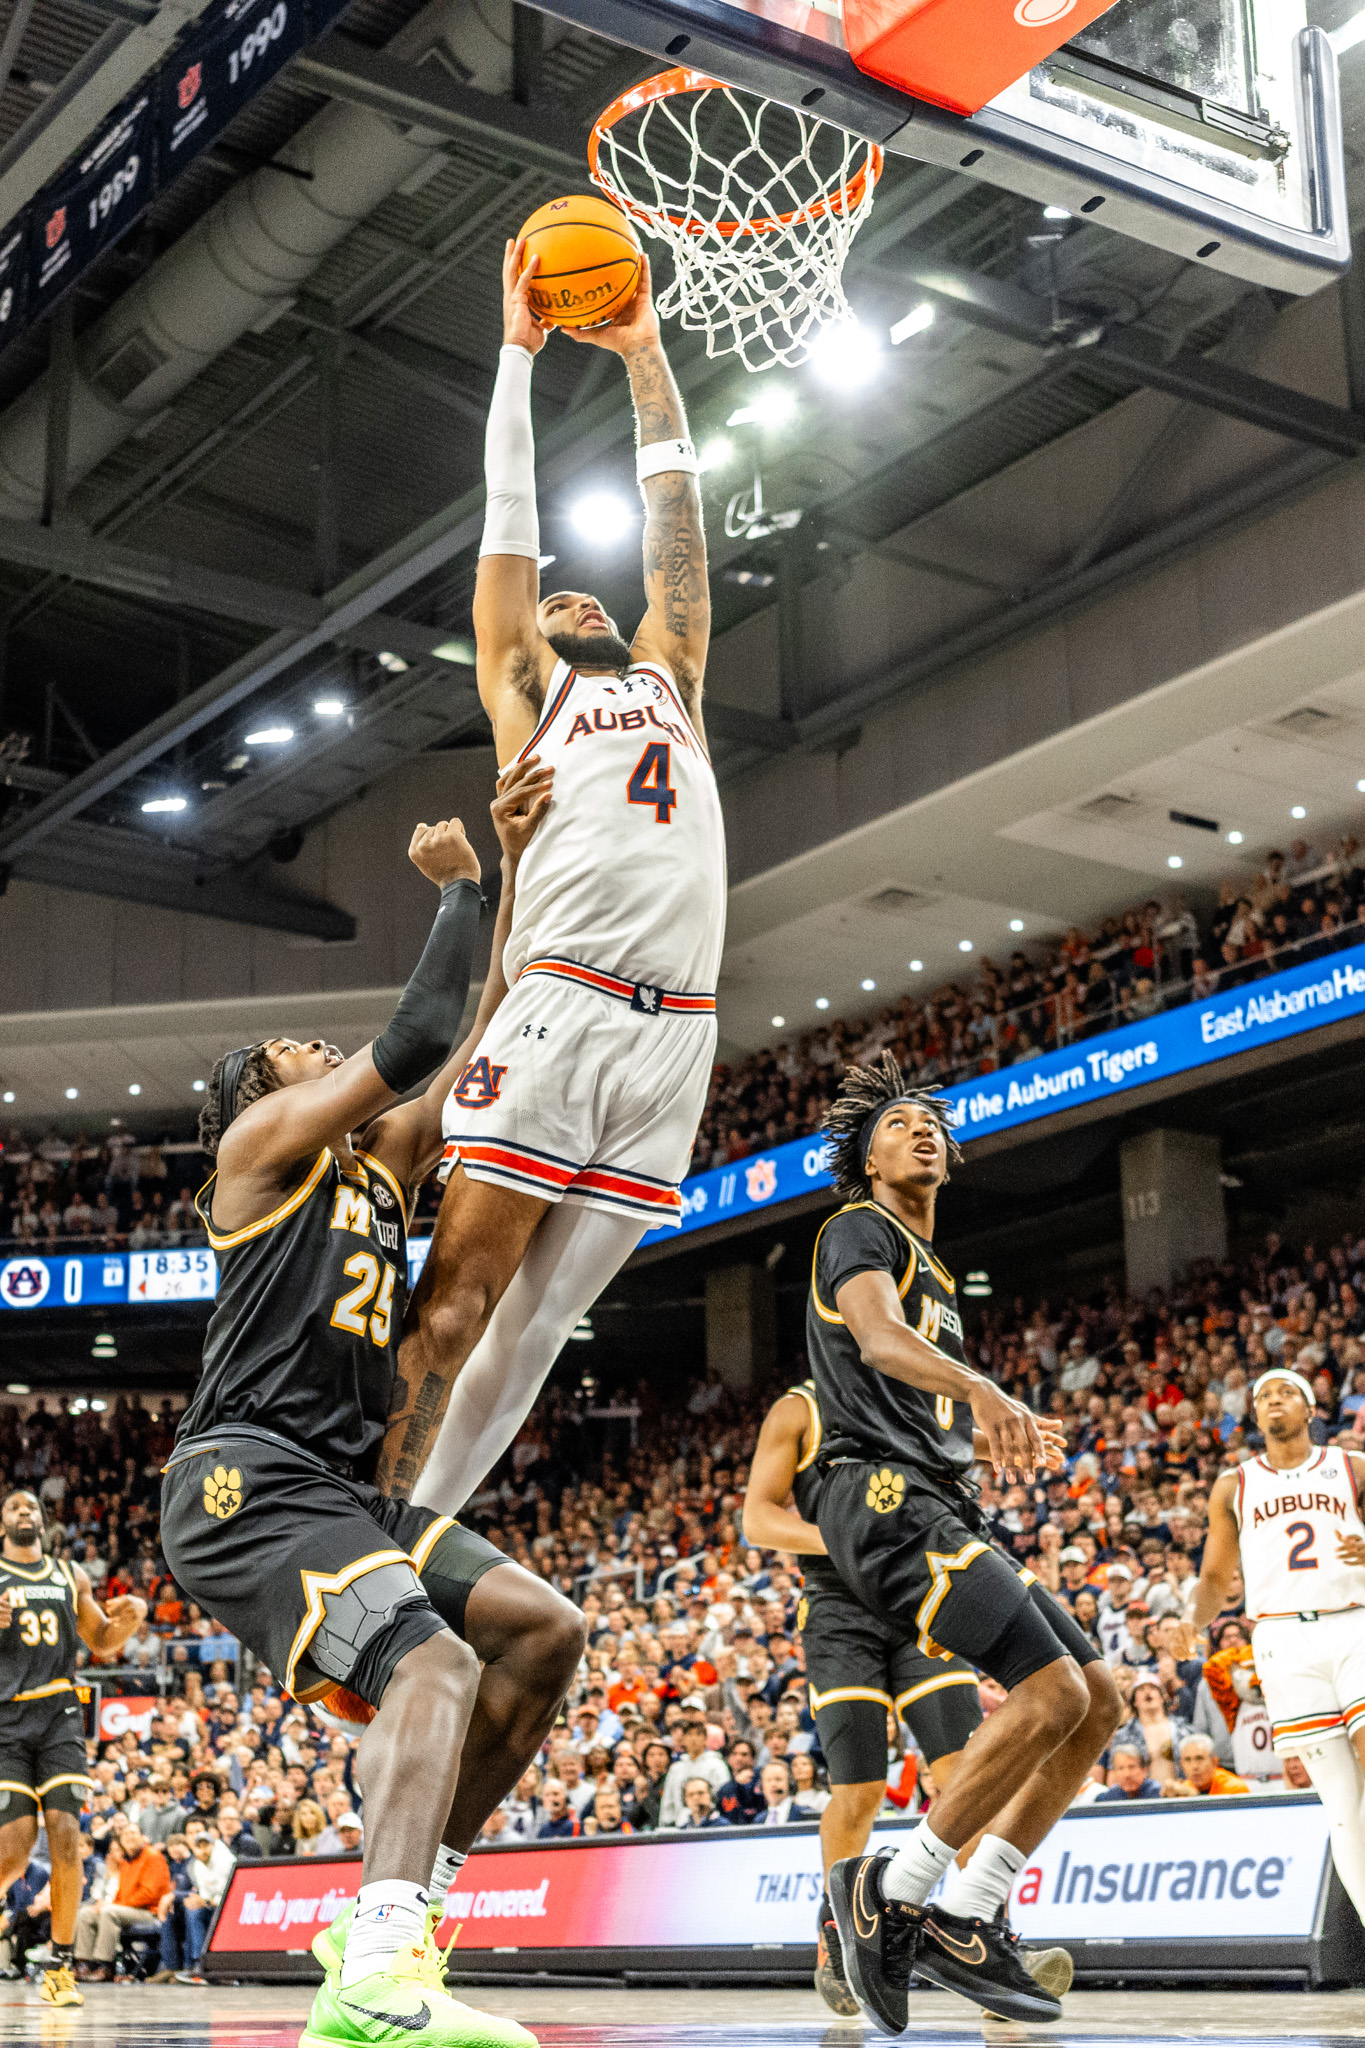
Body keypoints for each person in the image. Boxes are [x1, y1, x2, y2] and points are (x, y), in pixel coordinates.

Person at [159, 771, 575, 2048]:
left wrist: (502, 879)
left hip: (343, 1489)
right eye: (290, 1049)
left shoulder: (382, 1165)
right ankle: (376, 1983)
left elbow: (474, 1025)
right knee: (434, 1661)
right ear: (255, 1096)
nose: (316, 1045)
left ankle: (390, 1924)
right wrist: (453, 886)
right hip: (245, 1481)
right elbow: (406, 1038)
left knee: (540, 1632)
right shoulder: (258, 1155)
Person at [382, 241, 724, 1524]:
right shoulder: (530, 689)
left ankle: (403, 1547)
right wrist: (520, 353)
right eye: (557, 597)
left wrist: (644, 358)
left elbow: (677, 525)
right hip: (562, 1000)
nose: (581, 592)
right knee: (463, 1298)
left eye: (599, 592)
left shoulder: (670, 677)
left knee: (538, 1331)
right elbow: (510, 529)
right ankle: (354, 1549)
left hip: (678, 1034)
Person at [814, 1056, 1121, 2029]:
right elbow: (875, 1337)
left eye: (931, 1123)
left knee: (1099, 1697)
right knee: (1052, 1691)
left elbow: (914, 1361)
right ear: (867, 1155)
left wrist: (981, 1421)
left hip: (941, 1499)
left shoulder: (938, 1267)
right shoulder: (859, 1229)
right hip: (884, 1496)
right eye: (898, 1122)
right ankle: (893, 1892)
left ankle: (971, 1909)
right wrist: (982, 1389)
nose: (921, 1131)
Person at [743, 1378, 982, 2012]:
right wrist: (848, 1541)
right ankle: (836, 1933)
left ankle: (981, 1933)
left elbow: (959, 1455)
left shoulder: (910, 1398)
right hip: (838, 1610)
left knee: (965, 1776)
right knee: (859, 1790)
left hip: (919, 1600)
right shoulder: (799, 1408)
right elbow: (758, 1518)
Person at [1192, 1368, 1365, 1918]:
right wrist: (1189, 1624)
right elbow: (1217, 1579)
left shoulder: (1352, 1467)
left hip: (1354, 1621)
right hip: (1281, 1639)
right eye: (1264, 1395)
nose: (1273, 1401)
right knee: (1342, 1808)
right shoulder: (1234, 1484)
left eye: (1286, 1392)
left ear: (1310, 1409)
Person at [0, 1489, 146, 2006]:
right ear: (2, 1525)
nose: (24, 1512)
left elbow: (103, 1640)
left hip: (60, 1711)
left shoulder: (69, 1576)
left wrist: (133, 1616)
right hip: (7, 1718)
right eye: (15, 1507)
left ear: (42, 1521)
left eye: (31, 1508)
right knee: (15, 1846)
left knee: (65, 1834)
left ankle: (60, 1968)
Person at [74, 1821, 170, 1980]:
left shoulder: (152, 1856)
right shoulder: (126, 1861)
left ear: (142, 1837)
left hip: (149, 1912)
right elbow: (122, 1893)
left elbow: (149, 1894)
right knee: (86, 1913)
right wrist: (109, 1904)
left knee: (108, 1912)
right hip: (128, 1909)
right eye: (125, 1834)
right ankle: (84, 1964)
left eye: (133, 1833)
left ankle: (105, 1965)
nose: (129, 1837)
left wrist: (113, 1905)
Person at [1162, 1734, 1249, 1798]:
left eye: (1199, 1758)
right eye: (1187, 1760)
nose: (1194, 1766)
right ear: (1182, 1765)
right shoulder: (1184, 1789)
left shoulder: (1235, 1789)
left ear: (1214, 1762)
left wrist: (1195, 1797)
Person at [1095, 1744, 1160, 1801]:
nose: (1127, 1774)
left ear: (1144, 1770)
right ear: (1114, 1772)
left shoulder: (1158, 1793)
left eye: (1131, 1767)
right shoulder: (1108, 1798)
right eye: (1120, 1768)